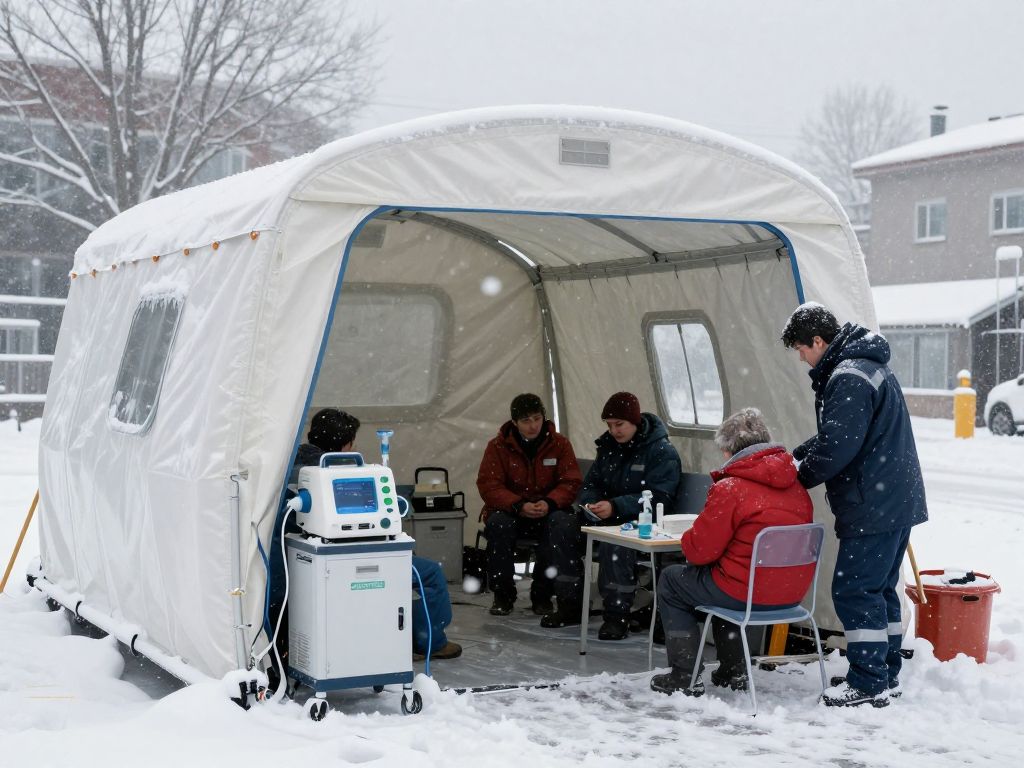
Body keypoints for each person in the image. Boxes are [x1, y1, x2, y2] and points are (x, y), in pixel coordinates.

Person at [782, 303, 928, 708]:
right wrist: (797, 454)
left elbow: (838, 445)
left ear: (818, 341)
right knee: (880, 590)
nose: (800, 357)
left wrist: (797, 475)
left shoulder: (847, 376)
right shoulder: (867, 365)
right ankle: (885, 671)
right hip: (896, 498)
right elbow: (844, 435)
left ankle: (867, 683)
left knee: (855, 589)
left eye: (801, 348)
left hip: (872, 502)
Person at [650, 408, 814, 696]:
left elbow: (700, 552)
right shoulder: (796, 488)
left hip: (745, 592)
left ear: (728, 450)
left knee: (673, 580)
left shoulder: (731, 488)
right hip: (790, 594)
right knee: (730, 577)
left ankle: (685, 674)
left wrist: (687, 537)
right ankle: (733, 670)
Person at [288, 408, 462, 661]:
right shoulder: (340, 471)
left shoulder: (292, 465)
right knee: (430, 574)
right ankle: (430, 641)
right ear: (346, 444)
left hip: (307, 556)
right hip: (348, 557)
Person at [576, 392, 681, 640]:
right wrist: (591, 502)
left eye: (619, 424)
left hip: (644, 522)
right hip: (610, 517)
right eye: (609, 425)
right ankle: (571, 603)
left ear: (634, 421)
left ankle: (616, 616)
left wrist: (617, 506)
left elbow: (659, 497)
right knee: (561, 527)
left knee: (618, 543)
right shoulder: (609, 449)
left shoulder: (661, 451)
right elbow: (590, 483)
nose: (614, 431)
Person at [476, 394, 583, 622]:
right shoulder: (497, 447)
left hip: (548, 511)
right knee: (497, 526)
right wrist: (517, 504)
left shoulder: (560, 444)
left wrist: (550, 502)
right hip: (511, 511)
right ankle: (502, 594)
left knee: (558, 526)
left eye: (537, 418)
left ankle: (543, 593)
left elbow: (570, 481)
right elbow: (489, 484)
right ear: (514, 423)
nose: (533, 425)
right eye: (526, 420)